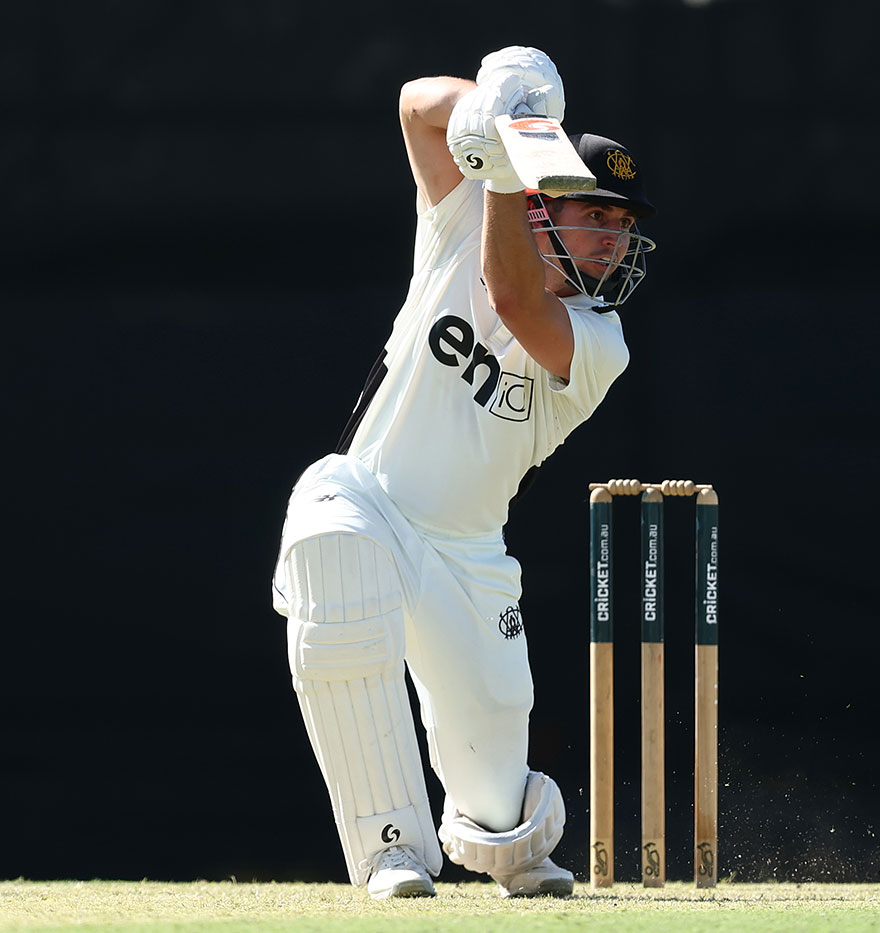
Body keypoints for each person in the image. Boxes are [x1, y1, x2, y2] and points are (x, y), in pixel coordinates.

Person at [270, 45, 656, 900]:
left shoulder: (601, 344)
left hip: (469, 557)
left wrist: (505, 167)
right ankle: (392, 850)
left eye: (626, 225)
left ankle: (509, 842)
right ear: (551, 204)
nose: (616, 239)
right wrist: (493, 107)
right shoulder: (461, 216)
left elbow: (513, 295)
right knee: (332, 550)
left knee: (492, 795)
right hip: (366, 495)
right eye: (601, 215)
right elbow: (416, 108)